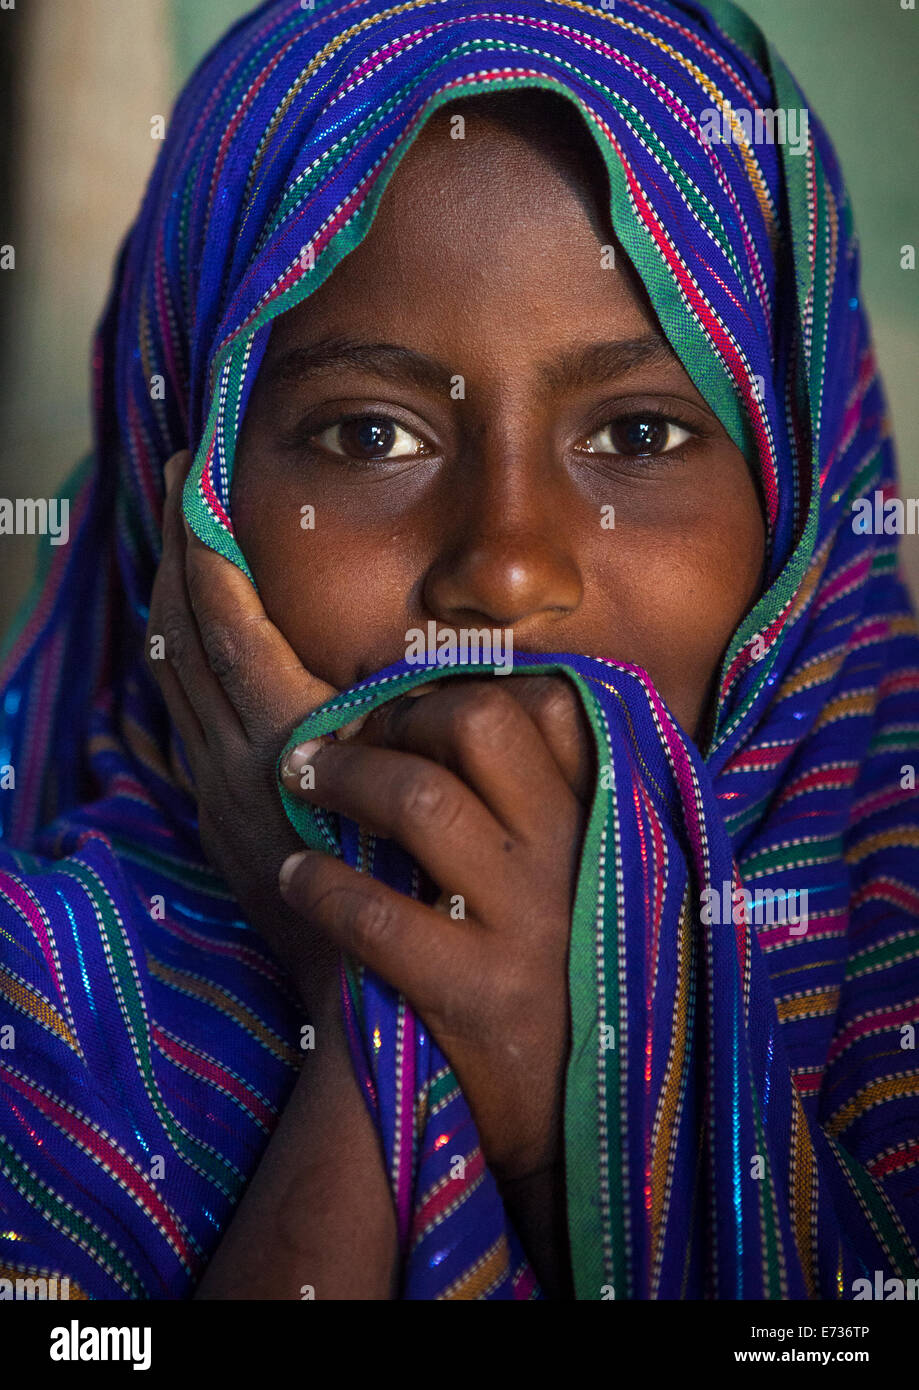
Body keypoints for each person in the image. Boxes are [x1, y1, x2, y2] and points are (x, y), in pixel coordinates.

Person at [1, 0, 917, 1301]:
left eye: (640, 437)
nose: (508, 561)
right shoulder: (41, 1016)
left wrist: (591, 1089)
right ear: (184, 498)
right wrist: (379, 986)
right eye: (369, 436)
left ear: (799, 508)